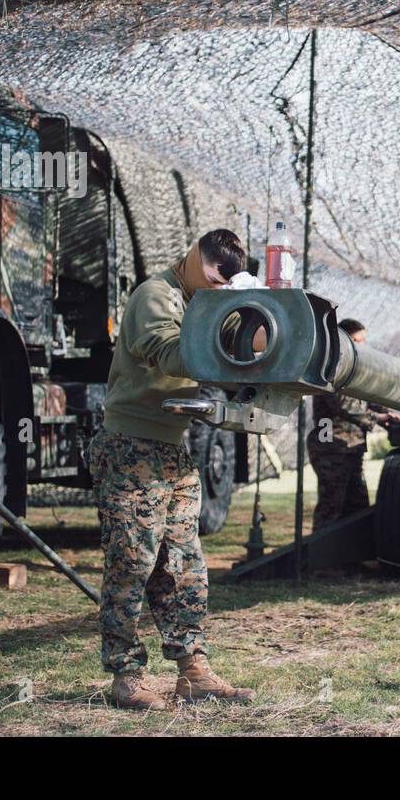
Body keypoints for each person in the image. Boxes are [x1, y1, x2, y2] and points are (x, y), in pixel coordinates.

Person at [88, 229, 264, 711]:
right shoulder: (156, 295)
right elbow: (168, 352)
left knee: (184, 567)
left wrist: (251, 312)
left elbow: (249, 347)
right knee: (132, 562)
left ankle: (193, 671)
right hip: (131, 446)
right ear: (193, 258)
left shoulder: (202, 303)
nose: (212, 288)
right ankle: (126, 677)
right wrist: (221, 322)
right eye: (211, 278)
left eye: (220, 284)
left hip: (171, 447)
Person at [307, 318, 389, 530]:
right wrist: (377, 419)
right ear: (343, 340)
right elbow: (343, 404)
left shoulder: (355, 370)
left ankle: (352, 558)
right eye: (356, 340)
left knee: (357, 506)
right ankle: (322, 559)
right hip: (332, 448)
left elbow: (372, 400)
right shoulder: (331, 366)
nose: (361, 345)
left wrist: (394, 415)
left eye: (363, 341)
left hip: (351, 448)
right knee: (332, 507)